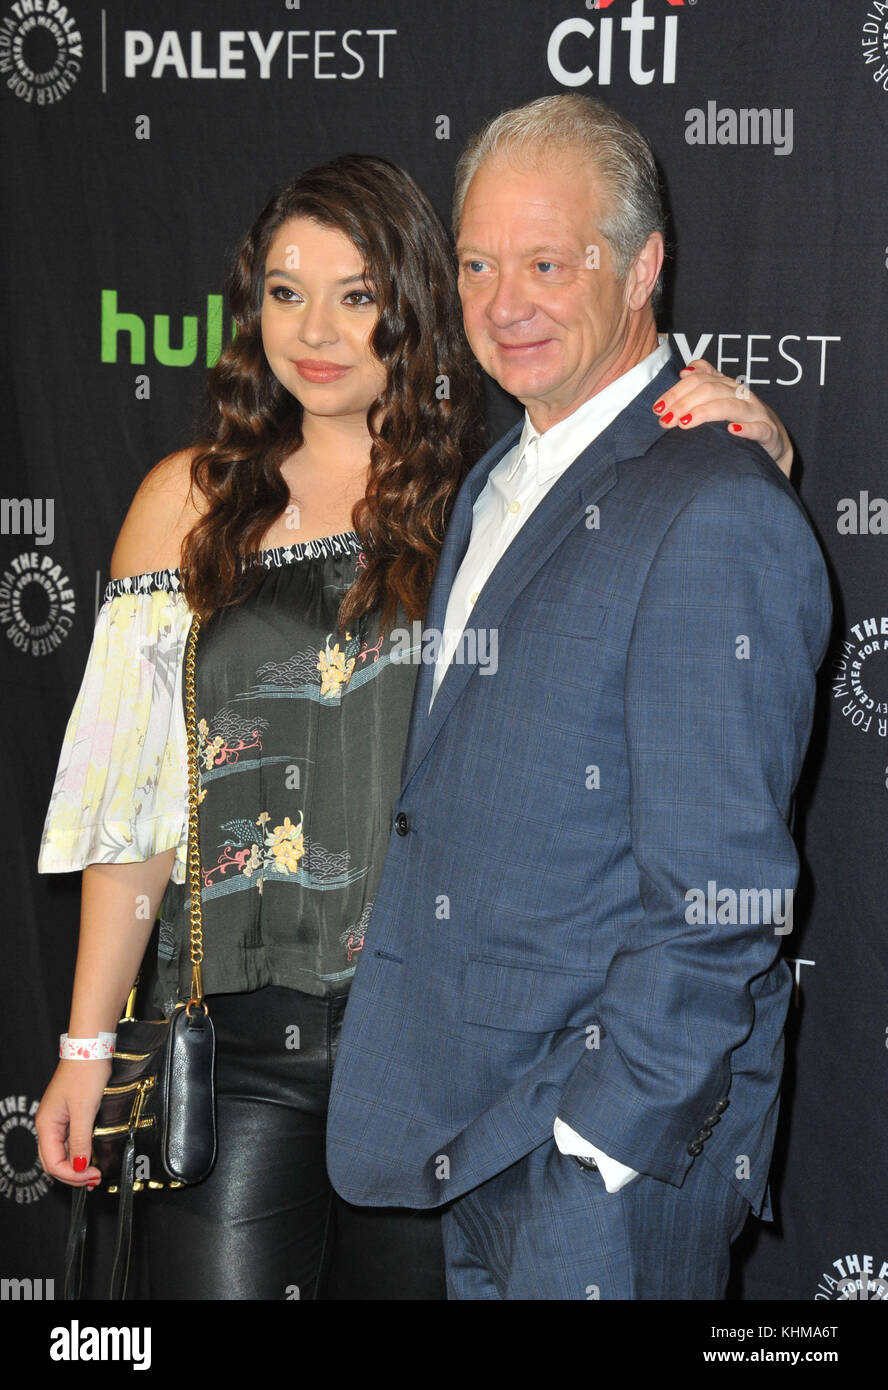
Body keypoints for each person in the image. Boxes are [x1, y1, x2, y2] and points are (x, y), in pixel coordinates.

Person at [36, 149, 794, 1301]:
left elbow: (658, 527)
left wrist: (756, 448)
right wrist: (88, 1043)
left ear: (415, 307)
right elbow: (133, 803)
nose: (315, 330)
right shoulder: (184, 502)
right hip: (238, 1046)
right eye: (285, 292)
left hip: (449, 1058)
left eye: (357, 295)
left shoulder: (498, 503)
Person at [324, 96, 832, 1301]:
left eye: (549, 264)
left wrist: (601, 1144)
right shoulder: (499, 473)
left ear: (643, 268)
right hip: (464, 1127)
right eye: (479, 265)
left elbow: (723, 894)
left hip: (595, 1168)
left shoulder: (717, 504)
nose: (505, 303)